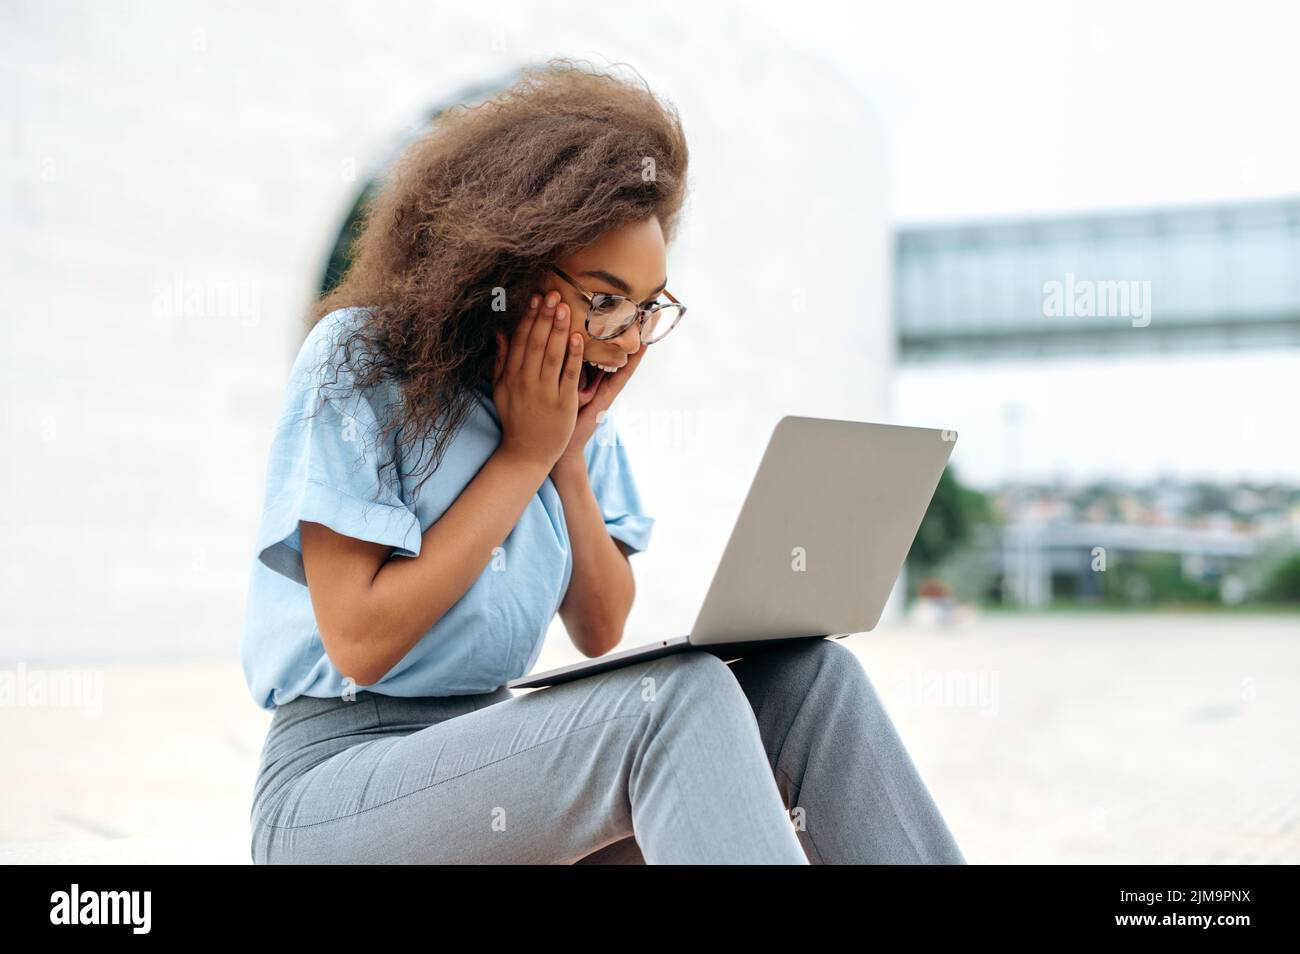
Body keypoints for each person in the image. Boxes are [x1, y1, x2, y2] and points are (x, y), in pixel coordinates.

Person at [241, 58, 966, 864]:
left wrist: (568, 457)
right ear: (508, 260)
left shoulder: (568, 406)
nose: (625, 336)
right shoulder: (362, 361)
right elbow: (361, 641)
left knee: (811, 685)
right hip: (337, 789)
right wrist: (523, 456)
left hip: (494, 763)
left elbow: (598, 625)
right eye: (603, 298)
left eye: (646, 306)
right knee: (670, 705)